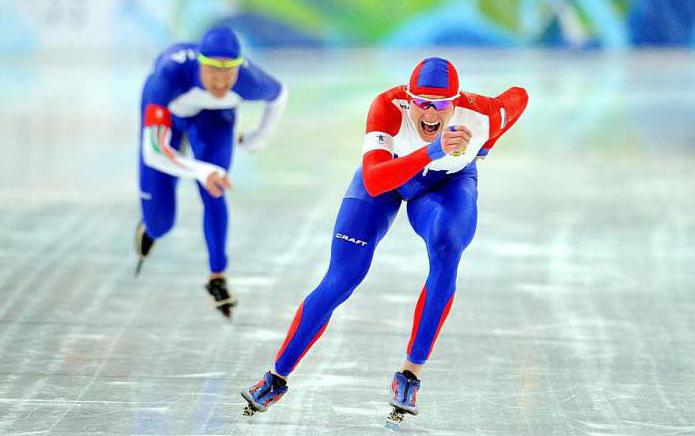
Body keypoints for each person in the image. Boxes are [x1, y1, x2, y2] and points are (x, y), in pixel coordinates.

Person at [241, 57, 528, 415]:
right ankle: (276, 377)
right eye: (422, 103)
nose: (431, 114)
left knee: (447, 247)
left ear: (455, 102)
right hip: (389, 178)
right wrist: (434, 150)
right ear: (409, 99)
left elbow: (519, 97)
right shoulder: (387, 106)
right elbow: (375, 180)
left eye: (441, 105)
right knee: (342, 277)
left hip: (445, 186)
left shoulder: (482, 114)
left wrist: (485, 145)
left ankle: (410, 373)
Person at [134, 26, 287, 318]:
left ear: (239, 68)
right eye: (213, 71)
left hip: (213, 120)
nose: (221, 81)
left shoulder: (249, 79)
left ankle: (217, 275)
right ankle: (150, 224)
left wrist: (259, 137)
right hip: (170, 118)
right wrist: (201, 170)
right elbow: (154, 151)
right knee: (160, 225)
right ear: (200, 65)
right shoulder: (168, 75)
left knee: (215, 190)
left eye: (229, 72)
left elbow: (279, 95)